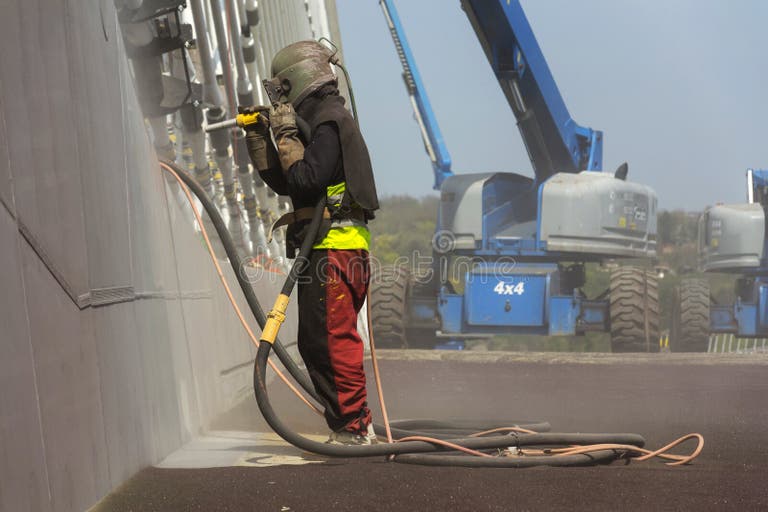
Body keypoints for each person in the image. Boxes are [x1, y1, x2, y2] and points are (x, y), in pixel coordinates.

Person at [245, 41, 380, 445]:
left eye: (280, 92)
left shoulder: (329, 120)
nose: (280, 100)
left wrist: (286, 131)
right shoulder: (322, 120)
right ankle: (349, 423)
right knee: (314, 340)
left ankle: (353, 428)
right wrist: (260, 138)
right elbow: (289, 183)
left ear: (296, 81)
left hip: (336, 249)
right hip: (328, 248)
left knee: (332, 340)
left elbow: (307, 178)